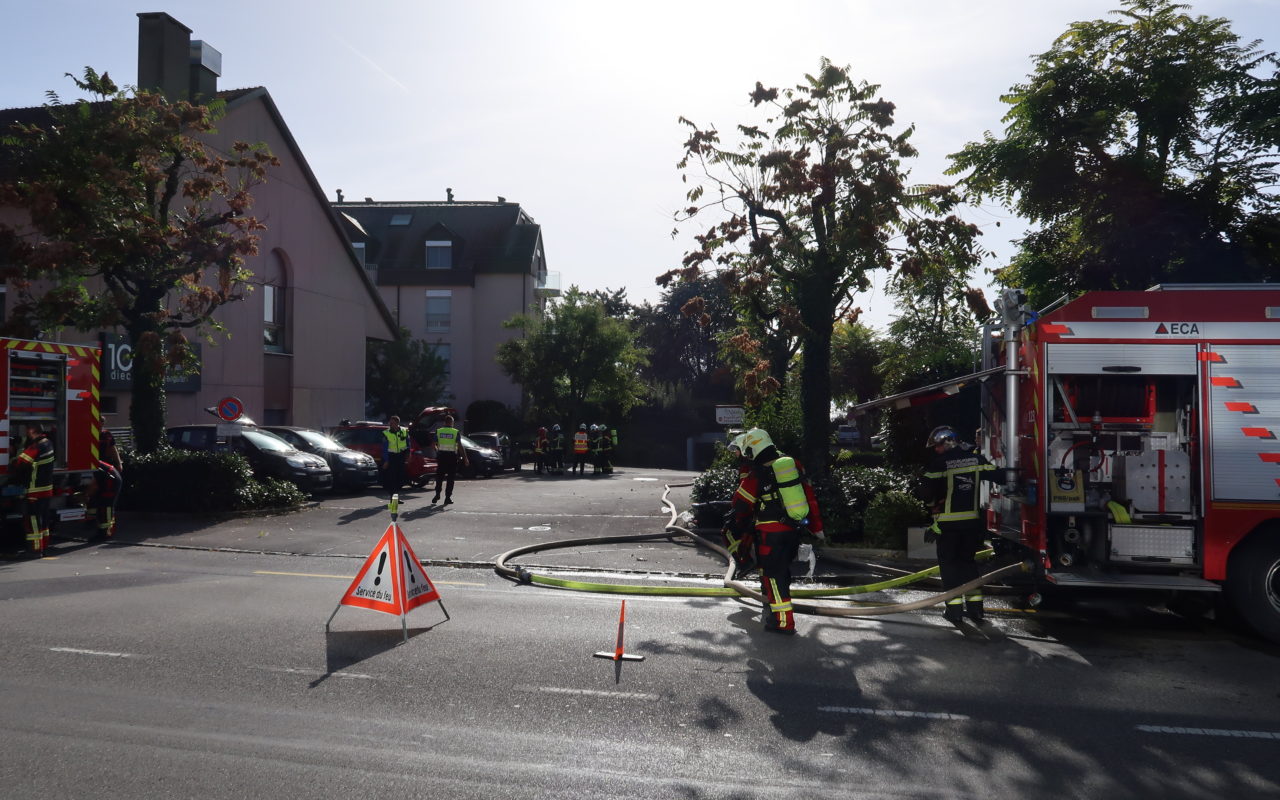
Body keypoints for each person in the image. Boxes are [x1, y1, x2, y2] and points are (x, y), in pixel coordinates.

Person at [725, 428, 824, 635]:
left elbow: (741, 504)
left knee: (773, 575)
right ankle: (772, 606)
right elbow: (809, 495)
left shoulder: (757, 473)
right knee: (781, 571)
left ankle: (783, 622)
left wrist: (739, 521)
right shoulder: (791, 464)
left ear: (753, 448)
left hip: (770, 533)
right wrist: (817, 527)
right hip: (793, 529)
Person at [919, 424, 1000, 630]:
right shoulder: (976, 460)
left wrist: (933, 508)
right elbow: (999, 476)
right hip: (972, 525)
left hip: (947, 527)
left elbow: (926, 493)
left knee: (950, 567)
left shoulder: (939, 464)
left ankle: (954, 612)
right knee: (968, 565)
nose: (936, 450)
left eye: (937, 446)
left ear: (947, 443)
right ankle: (976, 610)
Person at [13, 422, 55, 556]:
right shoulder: (48, 443)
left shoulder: (36, 446)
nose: (26, 433)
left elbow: (20, 463)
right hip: (46, 489)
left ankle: (35, 550)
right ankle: (44, 547)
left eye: (27, 430)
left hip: (35, 490)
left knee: (32, 521)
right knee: (43, 520)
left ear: (32, 431)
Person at [432, 415, 468, 505]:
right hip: (452, 457)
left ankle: (437, 494)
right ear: (452, 422)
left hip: (441, 457)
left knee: (439, 477)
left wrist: (437, 451)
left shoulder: (439, 431)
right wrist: (465, 458)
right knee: (450, 478)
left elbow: (433, 444)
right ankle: (447, 498)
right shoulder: (455, 432)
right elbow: (460, 446)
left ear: (445, 422)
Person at [85, 457, 122, 539]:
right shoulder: (90, 463)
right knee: (96, 502)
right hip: (108, 478)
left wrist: (86, 495)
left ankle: (104, 533)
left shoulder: (91, 465)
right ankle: (93, 524)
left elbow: (93, 485)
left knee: (106, 506)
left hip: (111, 481)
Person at [380, 415, 409, 492]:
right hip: (392, 457)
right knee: (392, 478)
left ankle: (396, 495)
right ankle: (393, 497)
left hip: (401, 456)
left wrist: (408, 454)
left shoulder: (404, 431)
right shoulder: (386, 433)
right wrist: (386, 460)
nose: (390, 424)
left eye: (392, 423)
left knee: (400, 478)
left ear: (397, 423)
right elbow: (384, 448)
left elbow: (408, 443)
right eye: (390, 423)